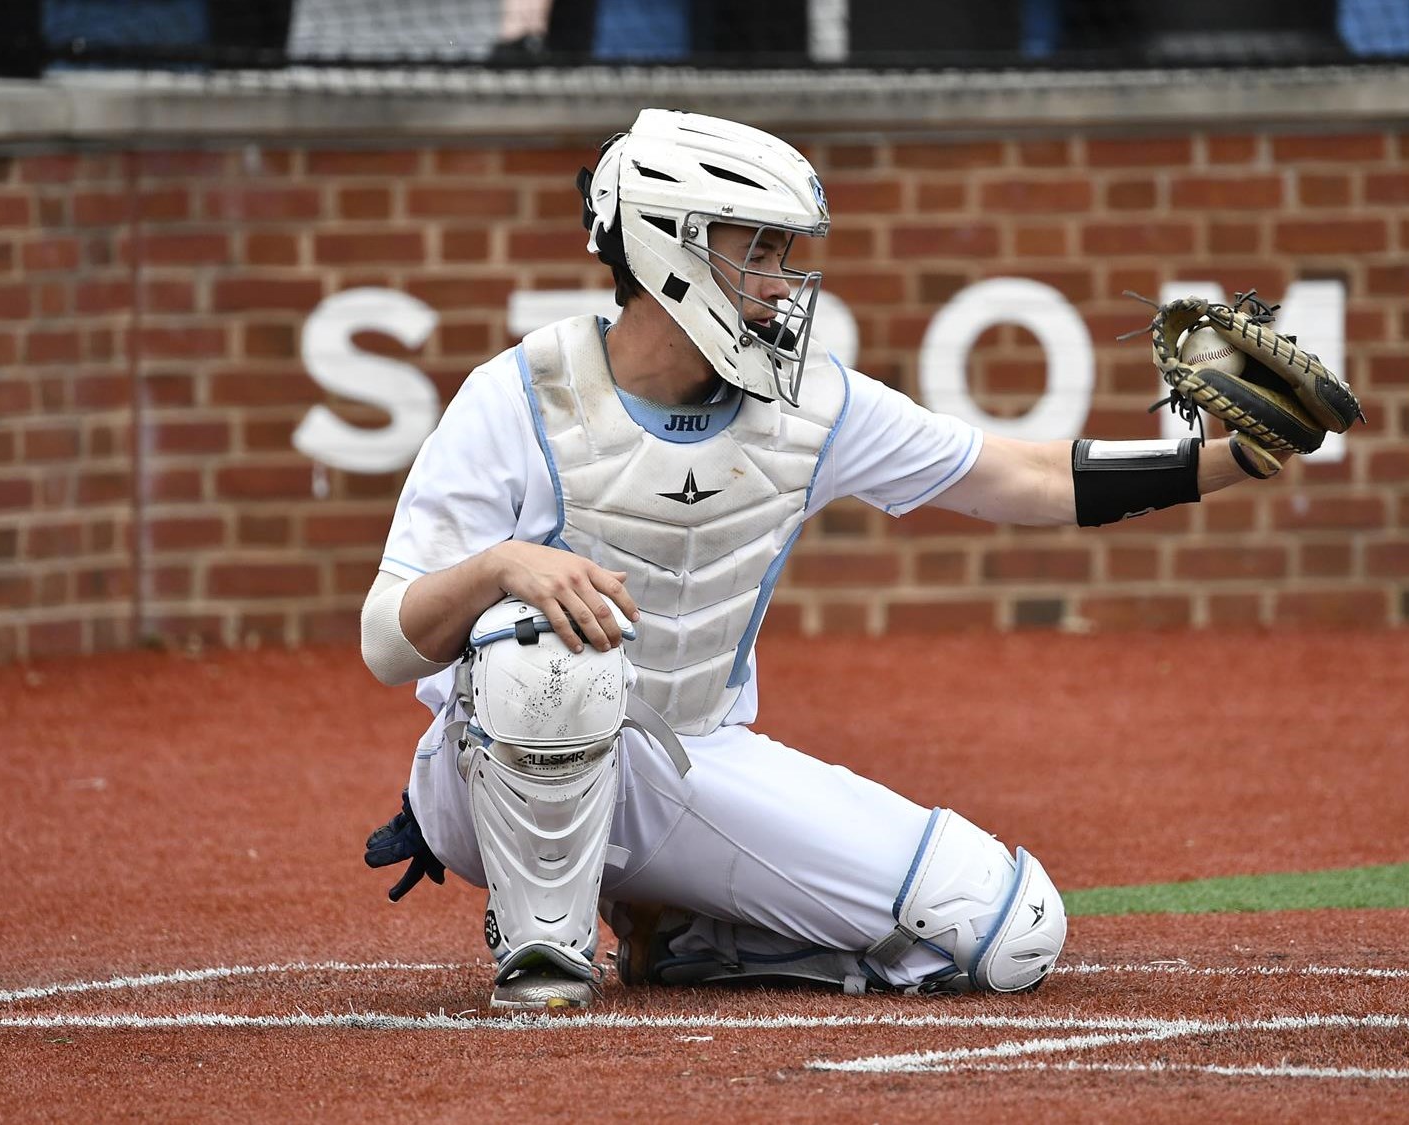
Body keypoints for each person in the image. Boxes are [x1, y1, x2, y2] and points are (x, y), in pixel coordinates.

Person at [360, 108, 1291, 1010]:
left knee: (1011, 930)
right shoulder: (518, 394)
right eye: (758, 252)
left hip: (687, 760)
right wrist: (502, 565)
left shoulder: (812, 403)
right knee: (539, 645)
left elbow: (1025, 478)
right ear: (670, 247)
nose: (782, 283)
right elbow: (386, 642)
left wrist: (1230, 461)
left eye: (785, 254)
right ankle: (545, 952)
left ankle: (688, 934)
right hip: (486, 774)